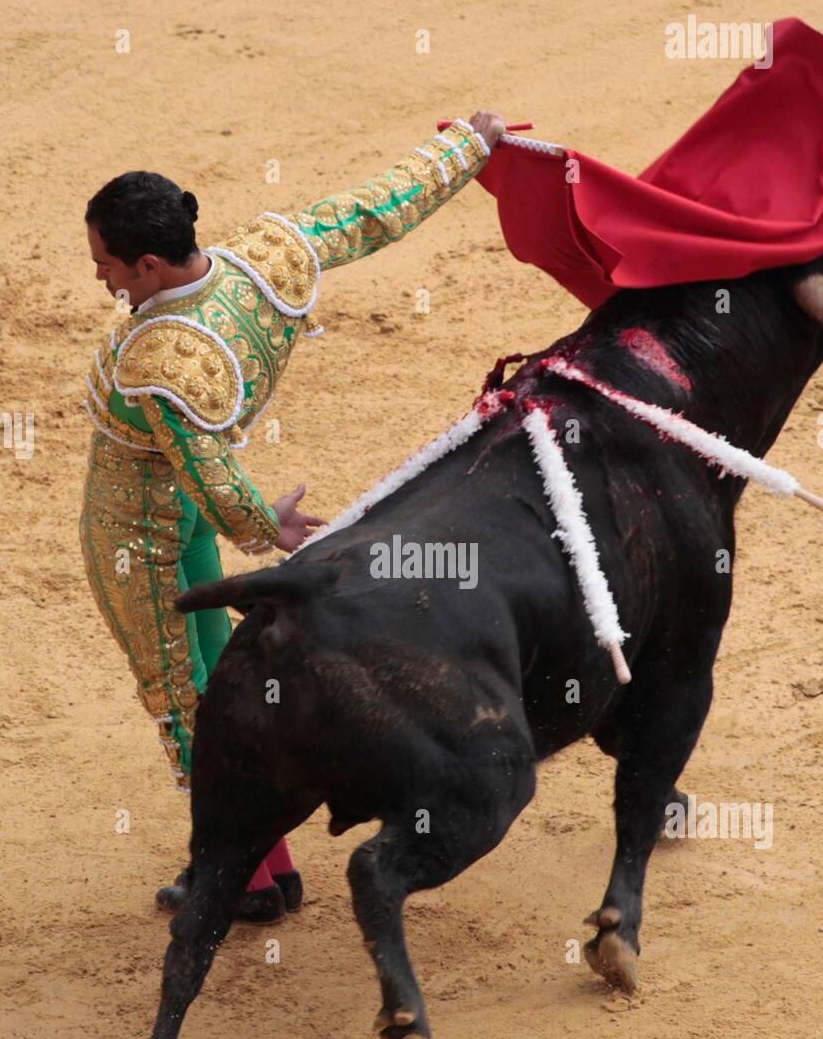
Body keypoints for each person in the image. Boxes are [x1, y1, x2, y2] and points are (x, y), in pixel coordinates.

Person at [80, 111, 506, 922]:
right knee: (218, 692)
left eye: (107, 266)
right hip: (190, 529)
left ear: (147, 264)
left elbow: (205, 472)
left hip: (138, 537)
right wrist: (466, 148)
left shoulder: (161, 360)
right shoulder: (263, 258)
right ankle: (267, 866)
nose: (102, 280)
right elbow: (368, 212)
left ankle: (239, 874)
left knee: (182, 699)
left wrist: (259, 524)